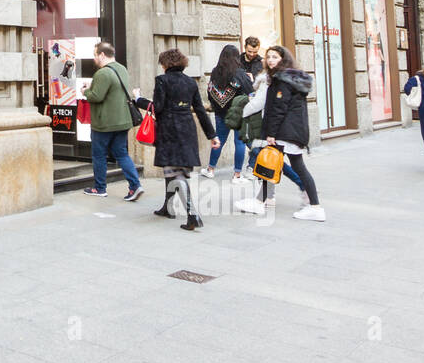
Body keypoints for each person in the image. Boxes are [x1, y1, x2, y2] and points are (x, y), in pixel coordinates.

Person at [138, 48, 218, 230]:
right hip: (187, 129)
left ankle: (192, 215)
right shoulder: (190, 82)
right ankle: (168, 207)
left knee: (175, 173)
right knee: (174, 170)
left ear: (165, 64)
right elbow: (199, 109)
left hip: (169, 130)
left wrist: (138, 100)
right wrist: (212, 135)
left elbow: (157, 107)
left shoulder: (162, 80)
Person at [253, 46, 325, 221]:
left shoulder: (282, 80)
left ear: (283, 59)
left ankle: (314, 206)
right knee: (274, 162)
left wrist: (271, 133)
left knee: (280, 163)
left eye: (275, 57)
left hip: (286, 131)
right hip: (291, 130)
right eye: (268, 57)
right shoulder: (287, 78)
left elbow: (279, 108)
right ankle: (262, 200)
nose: (270, 60)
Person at [81, 41, 145, 201]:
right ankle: (135, 185)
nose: (94, 58)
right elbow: (112, 90)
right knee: (122, 153)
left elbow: (96, 96)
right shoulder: (121, 68)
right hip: (122, 120)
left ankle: (100, 188)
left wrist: (85, 91)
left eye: (95, 55)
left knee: (99, 155)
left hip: (104, 123)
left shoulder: (102, 73)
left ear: (102, 55)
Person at [202, 44, 254, 181]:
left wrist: (217, 106)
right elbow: (251, 92)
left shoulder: (215, 72)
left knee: (218, 140)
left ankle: (210, 169)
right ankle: (237, 174)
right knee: (240, 143)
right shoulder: (240, 73)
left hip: (220, 113)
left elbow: (210, 92)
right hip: (239, 114)